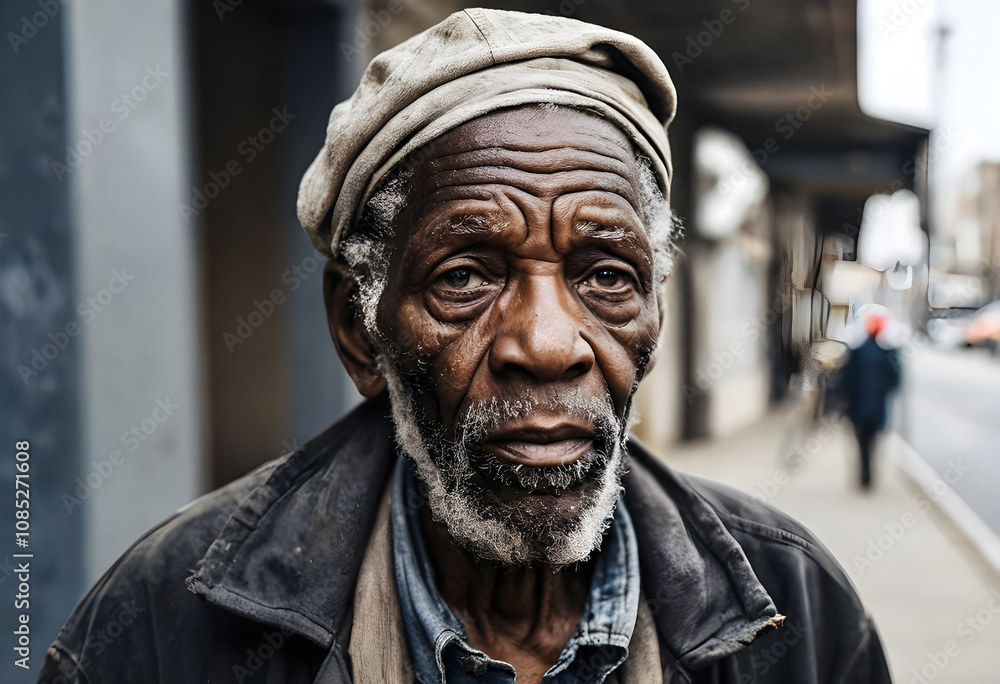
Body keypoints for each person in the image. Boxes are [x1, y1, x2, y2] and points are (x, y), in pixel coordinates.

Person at [40, 9, 891, 684]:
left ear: (655, 318)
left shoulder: (799, 613)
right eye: (465, 277)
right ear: (358, 327)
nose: (548, 346)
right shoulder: (162, 623)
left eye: (606, 277)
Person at [838, 313, 901, 489]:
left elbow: (845, 381)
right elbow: (895, 381)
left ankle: (864, 474)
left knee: (862, 441)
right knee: (871, 441)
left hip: (858, 408)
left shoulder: (857, 353)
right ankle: (868, 475)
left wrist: (844, 402)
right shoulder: (887, 355)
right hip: (876, 408)